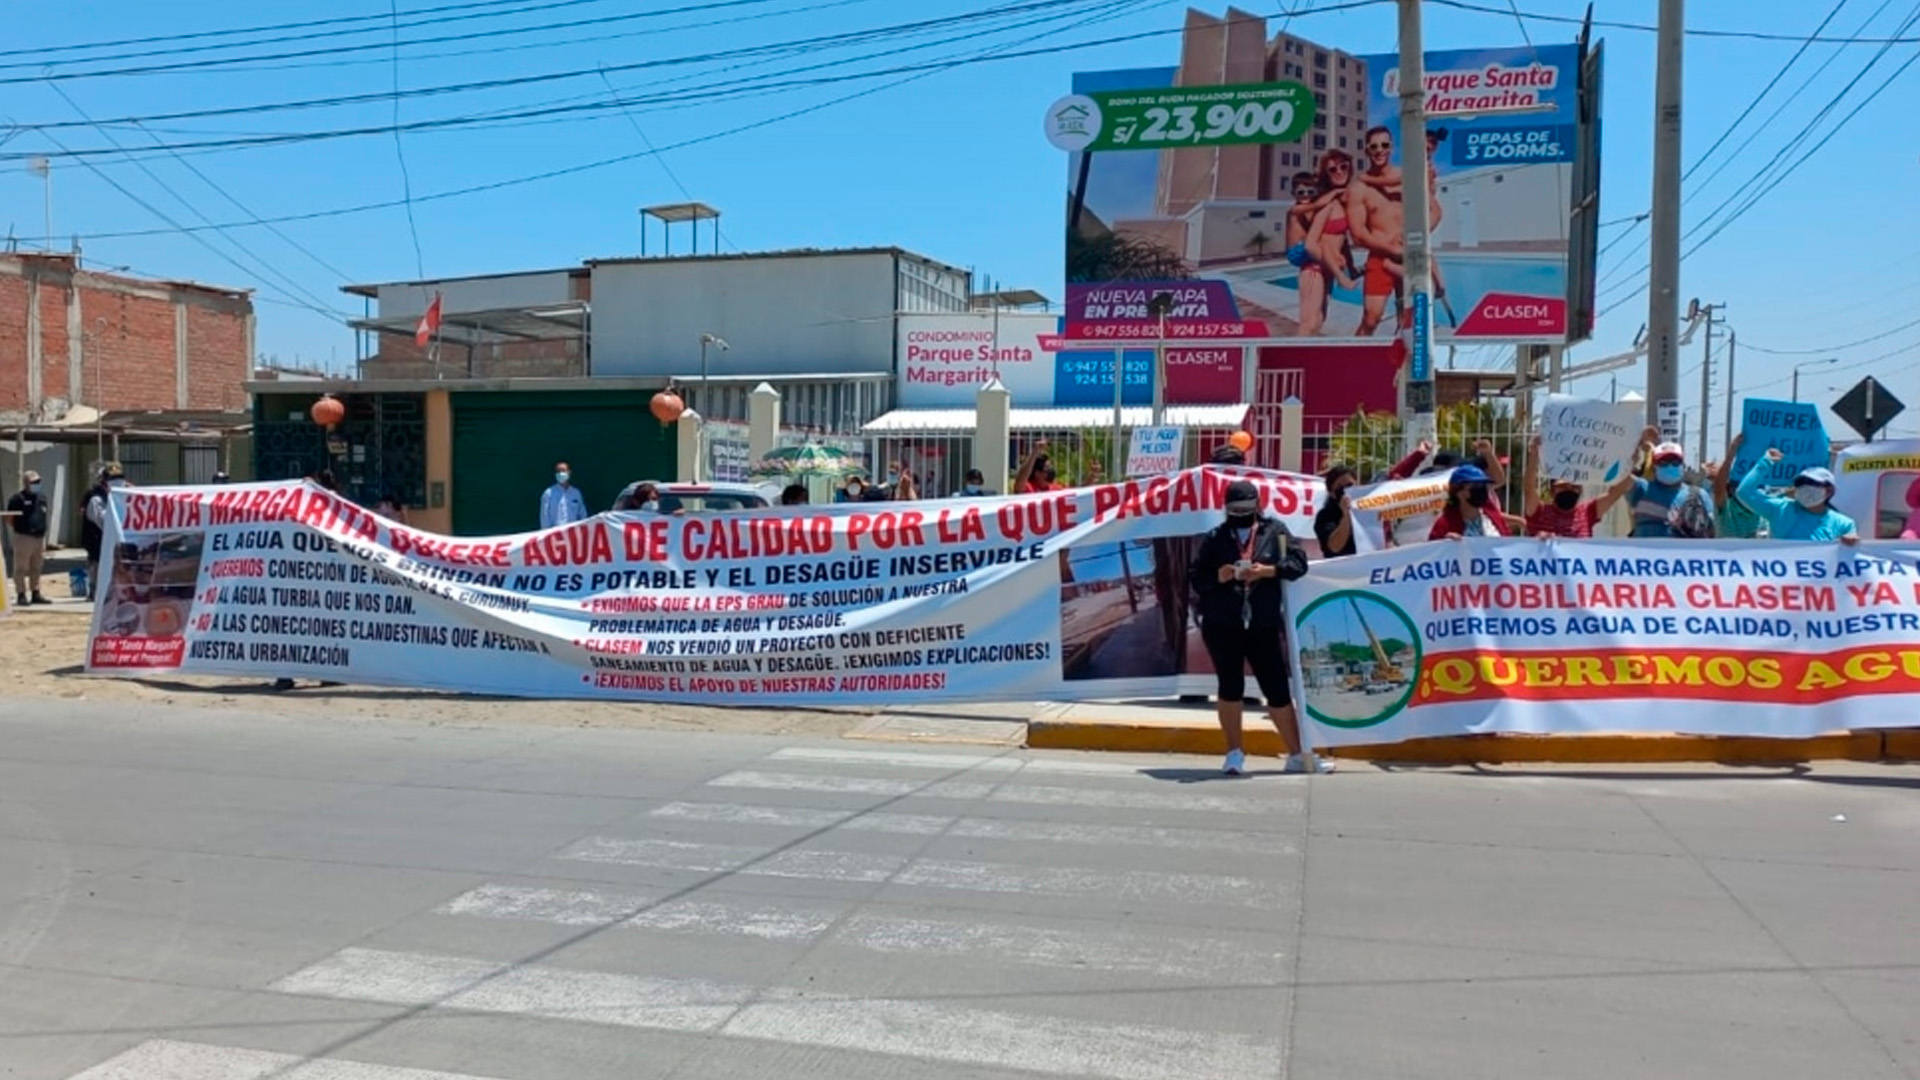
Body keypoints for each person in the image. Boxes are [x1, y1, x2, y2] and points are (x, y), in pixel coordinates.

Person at [1189, 480, 1330, 775]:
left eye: (1245, 509)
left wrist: (1268, 571)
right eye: (1234, 509)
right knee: (1230, 687)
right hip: (1223, 622)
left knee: (1276, 688)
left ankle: (1296, 754)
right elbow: (1197, 580)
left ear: (1257, 504)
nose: (1240, 514)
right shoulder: (1215, 538)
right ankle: (1234, 752)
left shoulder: (1274, 530)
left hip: (1262, 621)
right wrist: (1221, 576)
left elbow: (1298, 563)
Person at [1521, 434, 1637, 538]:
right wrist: (1534, 455)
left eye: (1574, 487)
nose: (1569, 490)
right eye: (1563, 486)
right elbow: (1529, 487)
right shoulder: (1538, 512)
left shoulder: (1588, 512)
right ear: (1552, 489)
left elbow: (1617, 492)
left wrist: (1632, 460)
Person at [1738, 455, 1859, 543]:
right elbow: (1744, 492)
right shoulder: (1781, 509)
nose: (1804, 487)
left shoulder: (1844, 524)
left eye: (1811, 483)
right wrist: (1766, 462)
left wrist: (1852, 542)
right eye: (1800, 483)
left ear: (1829, 490)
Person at [1627, 435, 1715, 538]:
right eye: (1663, 462)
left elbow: (1712, 531)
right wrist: (1634, 444)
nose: (1670, 465)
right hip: (1646, 553)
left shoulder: (1699, 495)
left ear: (1683, 465)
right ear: (1655, 467)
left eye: (1675, 461)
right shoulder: (1642, 490)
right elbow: (1621, 478)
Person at [1429, 464, 1522, 539]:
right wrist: (1446, 545)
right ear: (1460, 493)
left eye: (1483, 486)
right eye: (1476, 486)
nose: (1482, 490)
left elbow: (1508, 545)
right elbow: (1433, 555)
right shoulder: (1445, 525)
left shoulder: (1493, 517)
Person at [81, 463, 128, 602]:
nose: (118, 482)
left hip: (115, 543)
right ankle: (96, 594)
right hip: (97, 542)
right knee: (98, 571)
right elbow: (103, 521)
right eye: (113, 479)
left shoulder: (120, 496)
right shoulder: (96, 499)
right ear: (104, 481)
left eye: (119, 478)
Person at [6, 470, 51, 606]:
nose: (37, 484)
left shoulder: (42, 497)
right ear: (26, 483)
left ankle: (36, 593)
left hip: (39, 537)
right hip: (24, 537)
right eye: (34, 482)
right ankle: (21, 594)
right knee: (21, 567)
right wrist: (21, 529)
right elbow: (9, 518)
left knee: (36, 566)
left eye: (38, 482)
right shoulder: (17, 499)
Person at [1313, 464, 1359, 558]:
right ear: (1332, 493)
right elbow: (1335, 547)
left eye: (1350, 485)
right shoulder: (1325, 516)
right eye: (1340, 487)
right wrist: (1346, 515)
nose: (1346, 490)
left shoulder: (1369, 510)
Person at [539, 462, 587, 529]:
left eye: (563, 471)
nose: (561, 474)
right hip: (556, 533)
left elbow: (582, 514)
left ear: (569, 473)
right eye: (558, 471)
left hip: (573, 532)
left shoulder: (576, 493)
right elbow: (544, 517)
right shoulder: (548, 493)